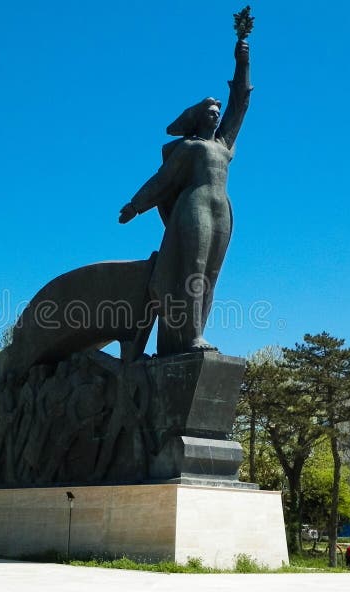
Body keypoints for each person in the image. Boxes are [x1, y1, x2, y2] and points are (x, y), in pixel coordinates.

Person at [119, 38, 252, 355]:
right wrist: (136, 205)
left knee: (210, 276)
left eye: (218, 110)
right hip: (195, 207)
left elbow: (240, 105)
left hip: (223, 210)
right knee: (193, 268)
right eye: (210, 110)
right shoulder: (189, 148)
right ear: (196, 117)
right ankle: (192, 336)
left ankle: (195, 333)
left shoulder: (223, 146)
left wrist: (242, 62)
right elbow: (162, 181)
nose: (217, 114)